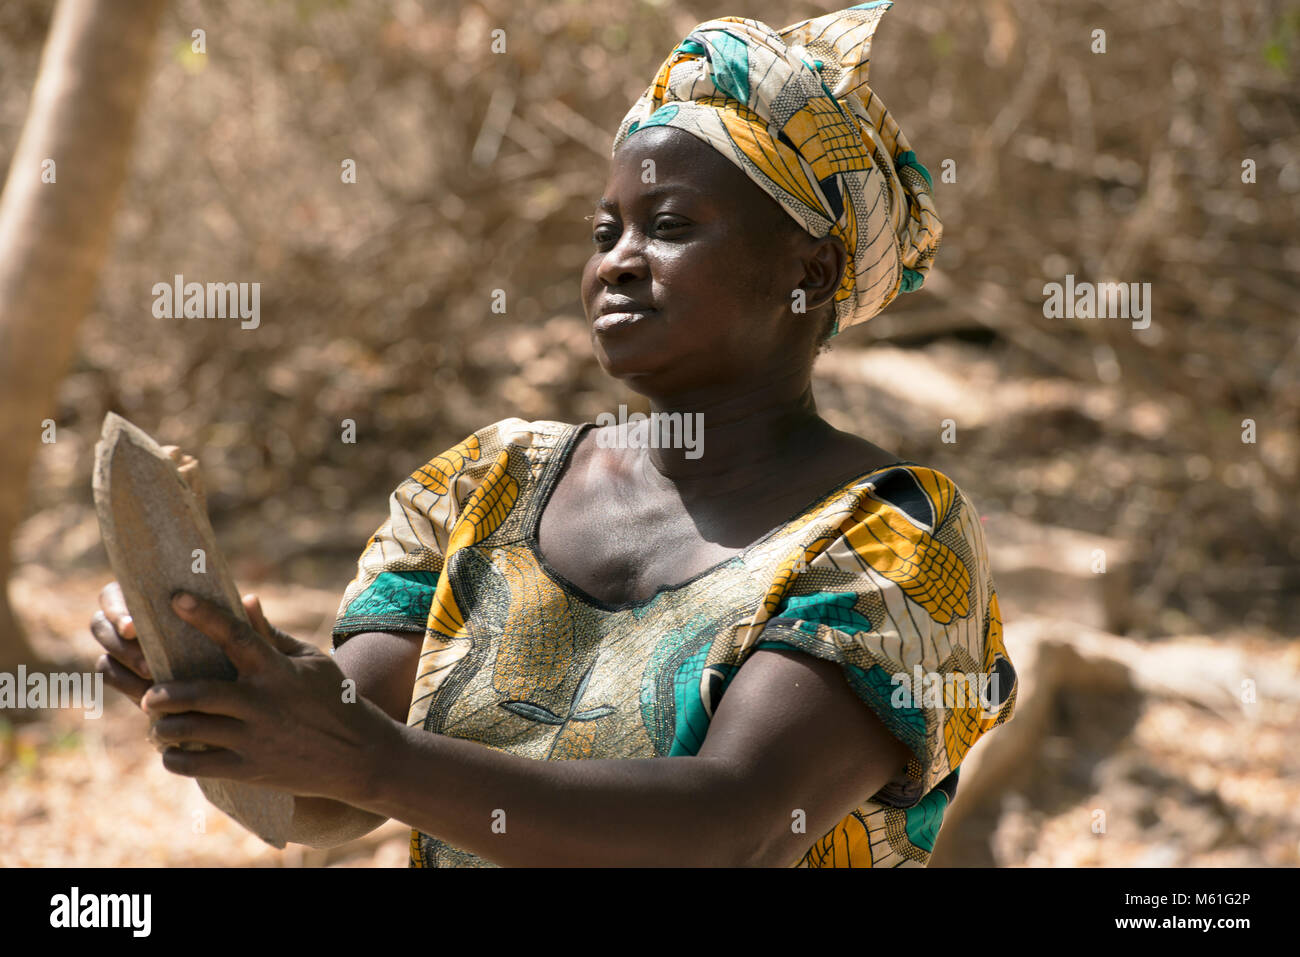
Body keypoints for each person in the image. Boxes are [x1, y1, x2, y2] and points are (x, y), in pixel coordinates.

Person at [91, 1, 1017, 867]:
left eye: (668, 226)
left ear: (808, 272)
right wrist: (231, 694)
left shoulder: (889, 536)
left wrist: (367, 758)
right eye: (606, 228)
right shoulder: (488, 483)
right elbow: (333, 790)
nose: (617, 260)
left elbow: (730, 826)